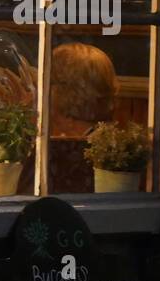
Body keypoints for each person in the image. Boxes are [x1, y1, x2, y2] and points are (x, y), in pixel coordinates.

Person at [48, 41, 118, 193]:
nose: (41, 90)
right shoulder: (107, 142)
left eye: (48, 83)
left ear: (65, 90)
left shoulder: (76, 152)